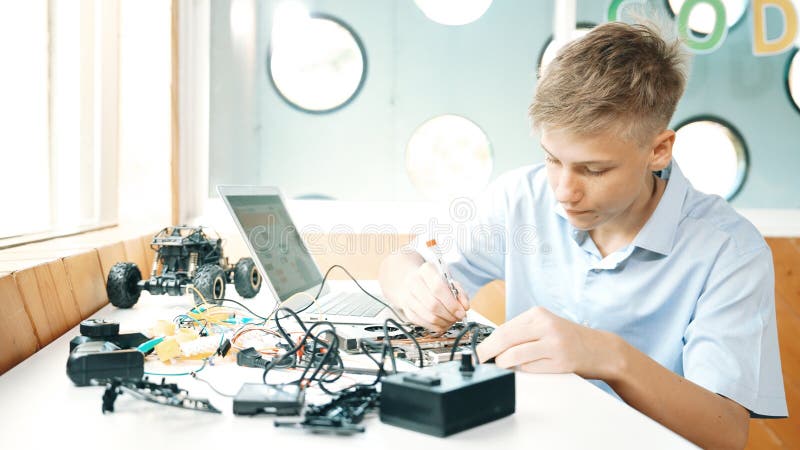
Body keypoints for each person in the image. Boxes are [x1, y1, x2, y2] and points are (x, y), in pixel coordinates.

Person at [378, 21, 787, 449]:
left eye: (594, 170)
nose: (563, 192)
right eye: (553, 159)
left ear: (658, 150)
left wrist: (607, 357)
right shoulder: (522, 196)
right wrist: (413, 285)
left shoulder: (729, 250)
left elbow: (725, 433)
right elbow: (401, 261)